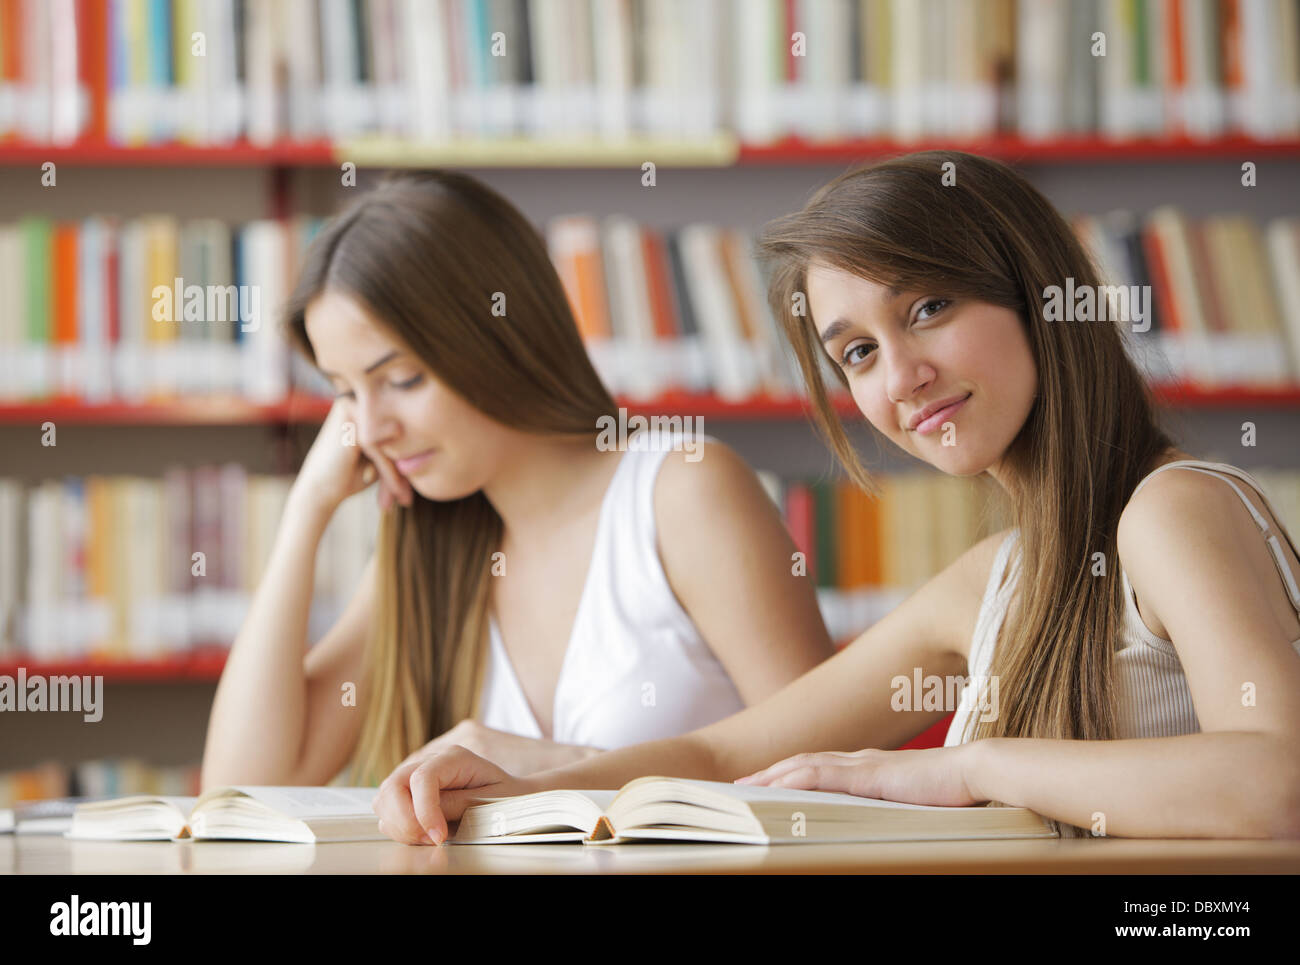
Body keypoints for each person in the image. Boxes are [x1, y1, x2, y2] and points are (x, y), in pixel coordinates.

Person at [370, 151, 1300, 844]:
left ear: (1036, 293)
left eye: (928, 307)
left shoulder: (1168, 511)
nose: (902, 375)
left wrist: (967, 767)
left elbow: (1279, 778)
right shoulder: (994, 580)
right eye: (857, 351)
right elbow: (725, 755)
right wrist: (518, 786)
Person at [200, 170, 834, 790]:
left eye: (401, 380)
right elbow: (244, 788)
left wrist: (555, 769)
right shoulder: (427, 542)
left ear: (498, 339)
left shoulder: (683, 491)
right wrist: (306, 511)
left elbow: (827, 780)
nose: (370, 428)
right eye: (344, 393)